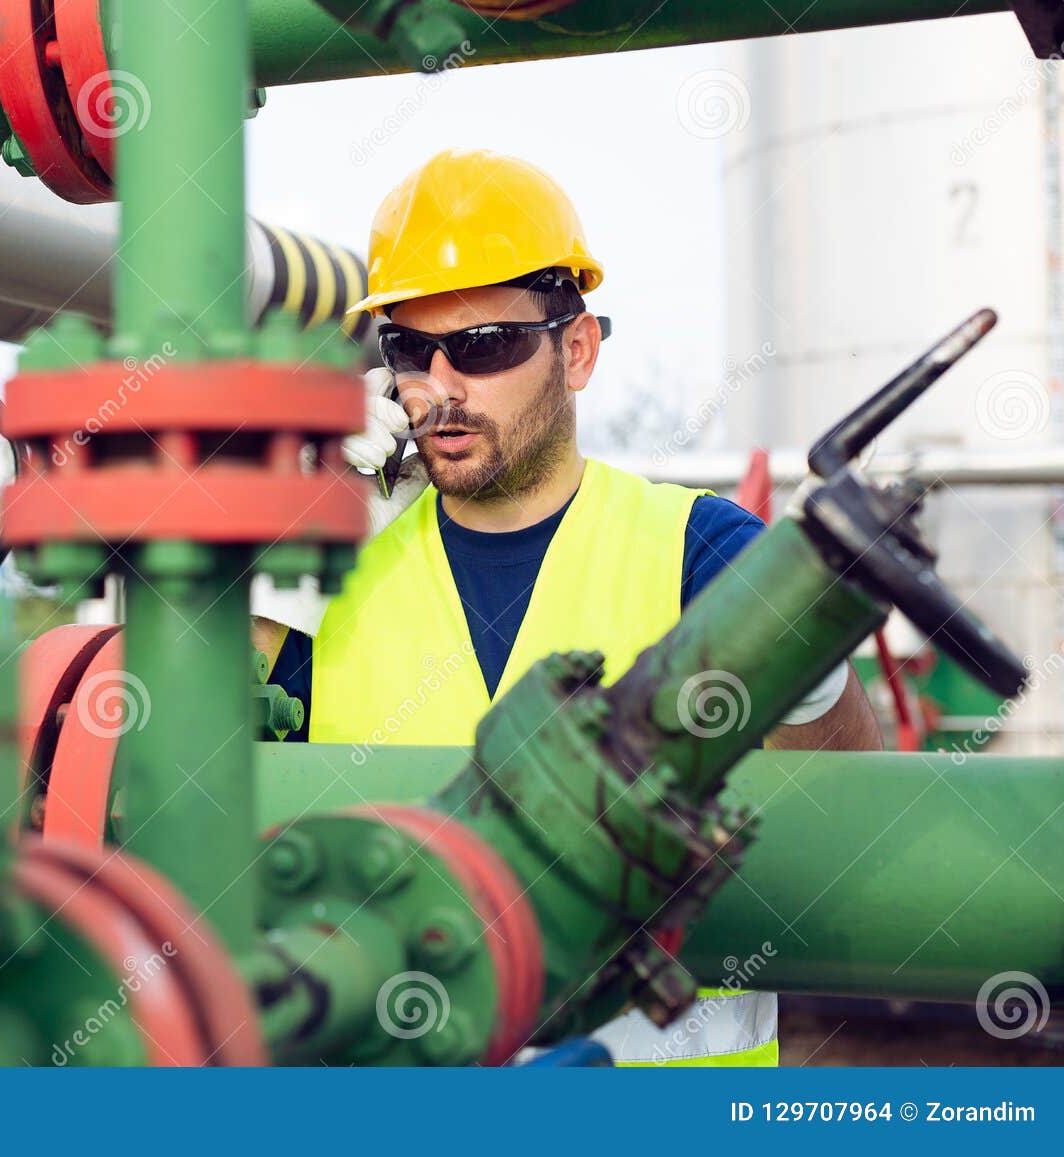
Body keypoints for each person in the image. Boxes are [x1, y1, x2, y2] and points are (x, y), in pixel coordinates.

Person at [252, 148, 882, 1066]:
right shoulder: (325, 580)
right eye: (406, 349)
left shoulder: (699, 551)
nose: (441, 385)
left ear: (576, 349)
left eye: (485, 345)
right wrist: (277, 563)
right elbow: (195, 823)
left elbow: (851, 819)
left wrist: (810, 664)